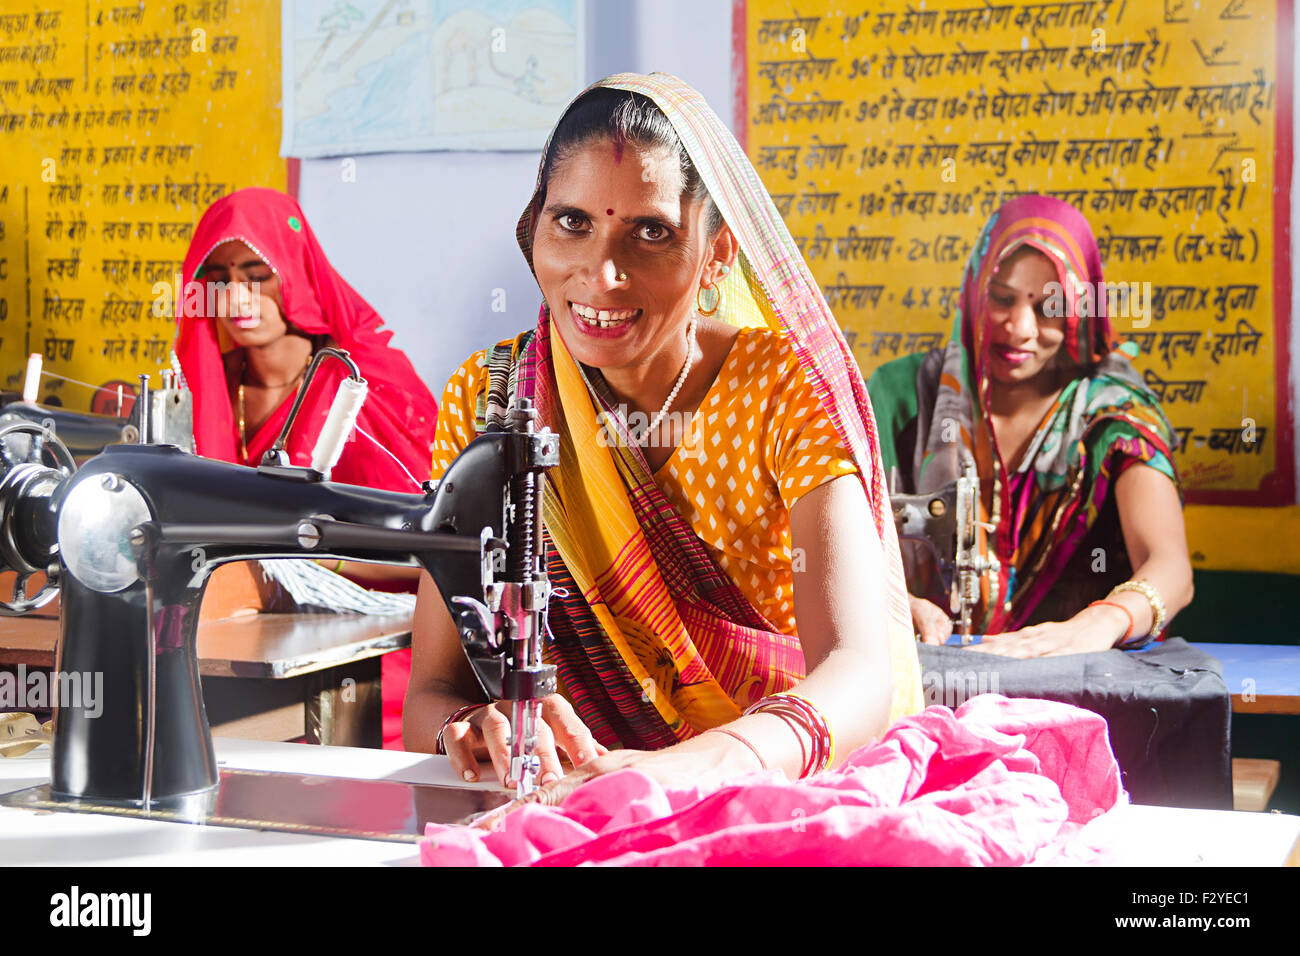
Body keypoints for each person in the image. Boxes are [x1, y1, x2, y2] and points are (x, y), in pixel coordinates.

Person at [405, 73, 923, 802]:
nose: (602, 275)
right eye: (573, 223)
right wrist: (468, 727)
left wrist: (706, 764)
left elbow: (861, 671)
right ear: (534, 229)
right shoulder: (494, 398)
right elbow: (430, 689)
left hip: (771, 800)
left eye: (652, 233)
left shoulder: (784, 392)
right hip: (573, 804)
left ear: (717, 254)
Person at [868, 196, 1193, 658]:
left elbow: (1172, 569)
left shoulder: (1112, 415)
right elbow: (827, 542)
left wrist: (1100, 622)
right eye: (1002, 298)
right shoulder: (900, 396)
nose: (1018, 328)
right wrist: (887, 601)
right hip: (921, 674)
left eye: (1047, 308)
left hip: (1079, 683)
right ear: (976, 288)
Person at [173, 187, 439, 748]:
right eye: (218, 279)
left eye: (256, 273)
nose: (237, 296)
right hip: (240, 632)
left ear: (294, 271)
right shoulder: (207, 394)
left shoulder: (366, 386)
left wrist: (306, 559)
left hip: (374, 644)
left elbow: (433, 550)